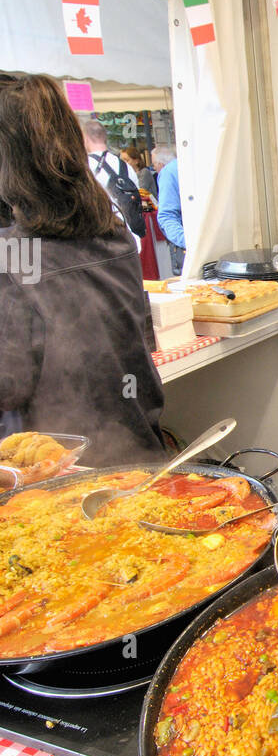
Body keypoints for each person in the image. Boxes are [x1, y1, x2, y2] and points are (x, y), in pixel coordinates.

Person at [0, 73, 165, 465]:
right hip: (137, 449)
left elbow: (9, 387)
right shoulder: (112, 233)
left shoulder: (12, 256)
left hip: (56, 481)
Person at [81, 118, 143, 253]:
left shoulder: (85, 167)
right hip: (132, 240)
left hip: (103, 243)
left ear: (85, 138)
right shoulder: (126, 166)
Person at [152, 145, 185, 275]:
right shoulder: (172, 171)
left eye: (154, 164)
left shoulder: (169, 172)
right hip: (190, 247)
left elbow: (166, 216)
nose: (154, 167)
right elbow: (167, 216)